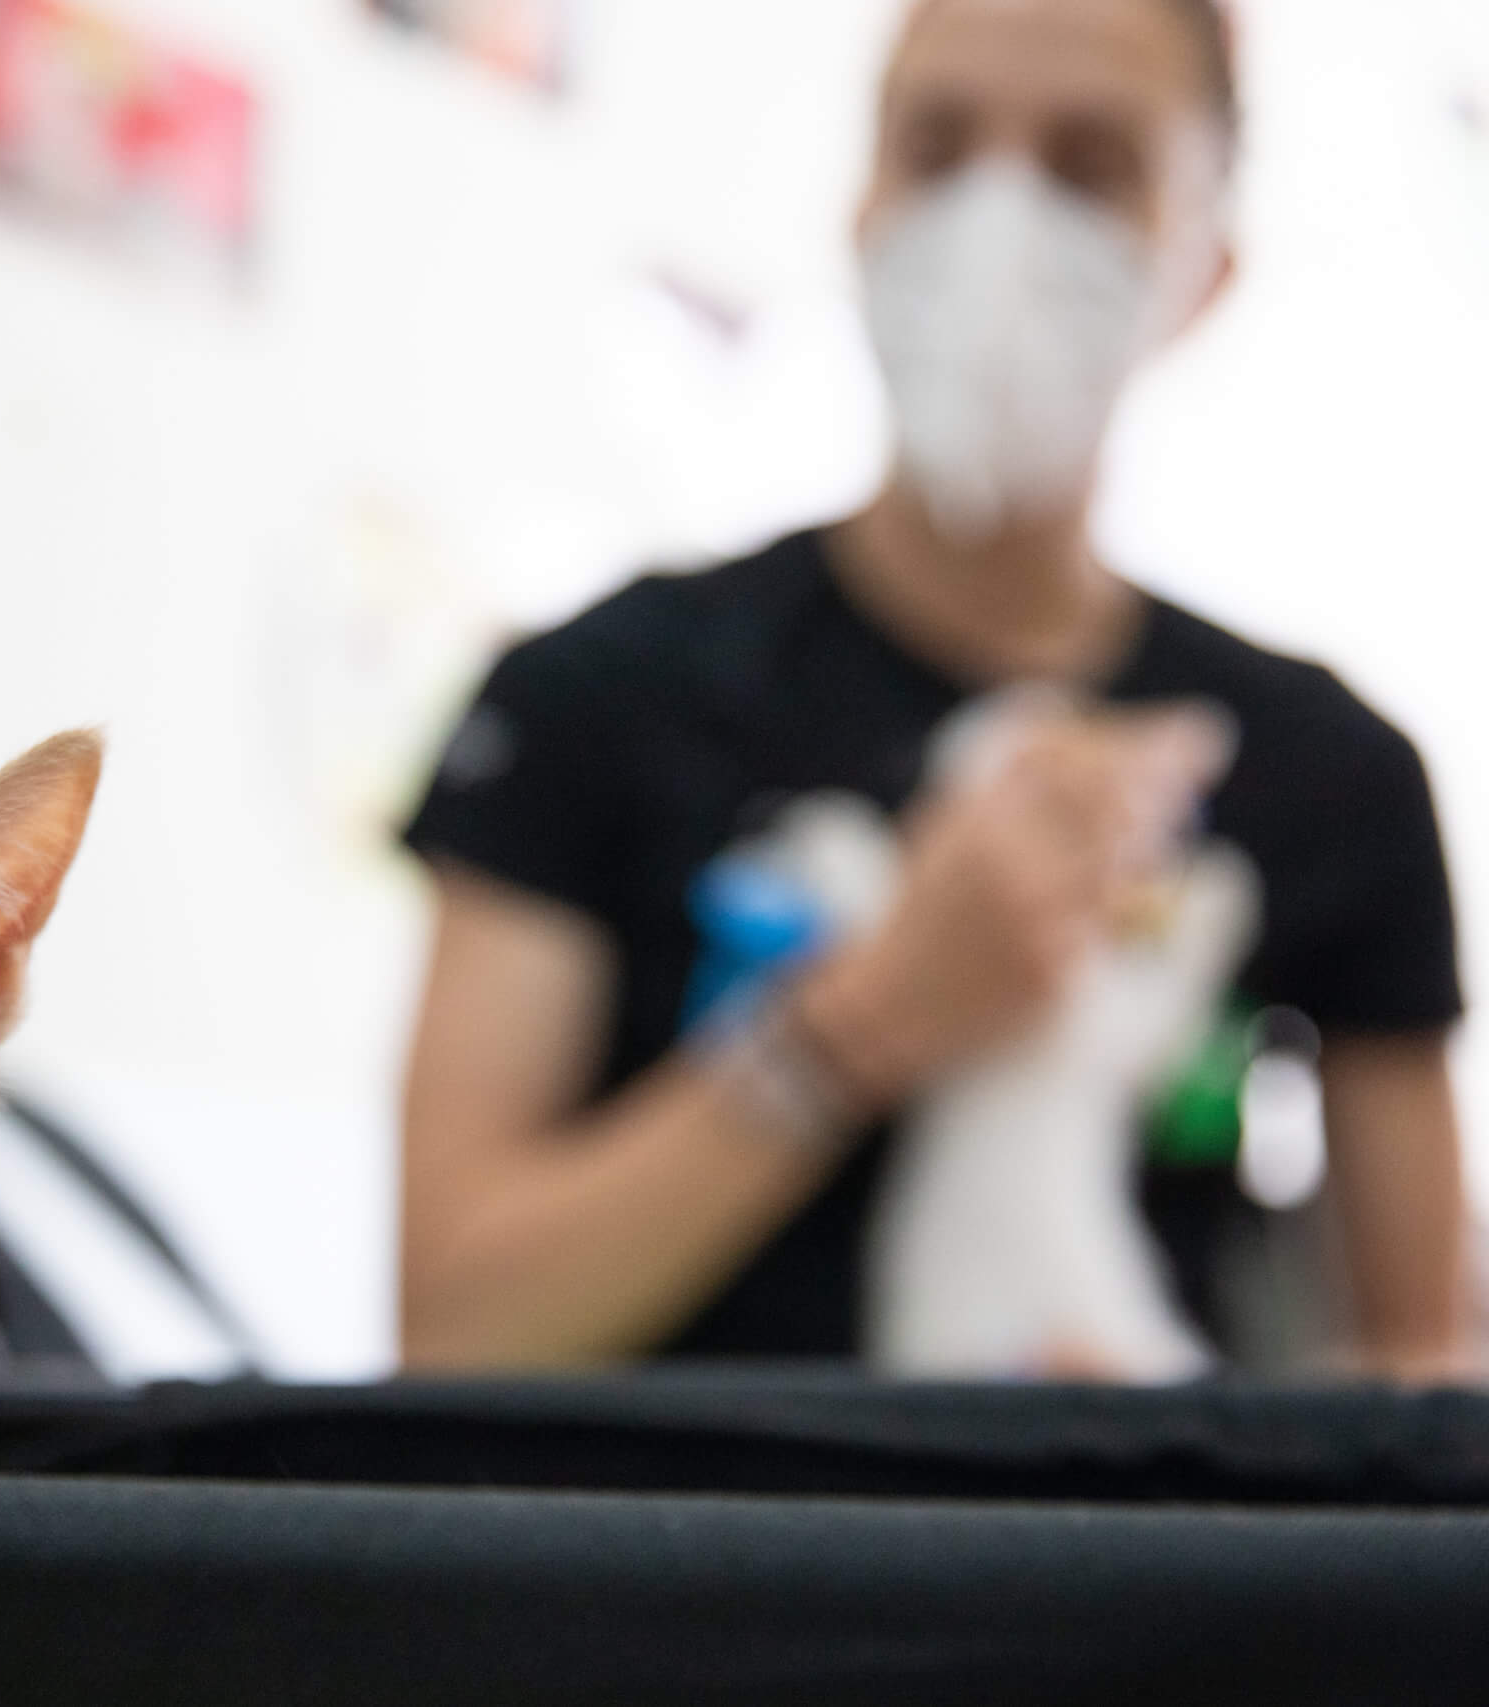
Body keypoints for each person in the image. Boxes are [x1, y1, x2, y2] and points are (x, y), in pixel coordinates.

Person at [397, 0, 1470, 1379]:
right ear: (862, 205)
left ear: (1206, 261)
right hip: (679, 1576)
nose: (999, 220)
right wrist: (879, 1010)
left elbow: (1417, 1390)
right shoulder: (588, 697)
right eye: (938, 143)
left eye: (1091, 163)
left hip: (1141, 1583)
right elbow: (448, 1333)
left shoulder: (1336, 776)